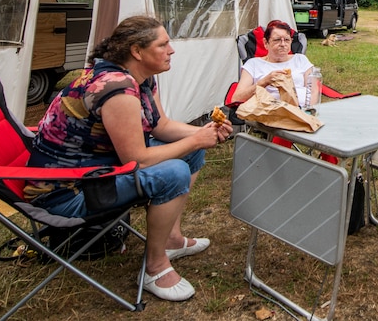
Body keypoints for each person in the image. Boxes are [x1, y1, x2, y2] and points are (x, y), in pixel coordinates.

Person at [25, 15, 233, 302]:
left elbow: (161, 126)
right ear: (137, 51)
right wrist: (196, 139)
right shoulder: (116, 89)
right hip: (67, 190)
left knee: (191, 149)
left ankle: (171, 239)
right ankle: (155, 267)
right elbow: (137, 159)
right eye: (163, 44)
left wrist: (202, 134)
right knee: (173, 171)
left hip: (97, 172)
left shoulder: (141, 78)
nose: (171, 50)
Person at [230, 20, 316, 108]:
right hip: (268, 115)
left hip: (302, 112)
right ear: (266, 43)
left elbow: (313, 92)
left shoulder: (301, 60)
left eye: (287, 40)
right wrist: (264, 82)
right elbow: (237, 98)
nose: (283, 44)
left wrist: (308, 112)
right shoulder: (253, 64)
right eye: (277, 40)